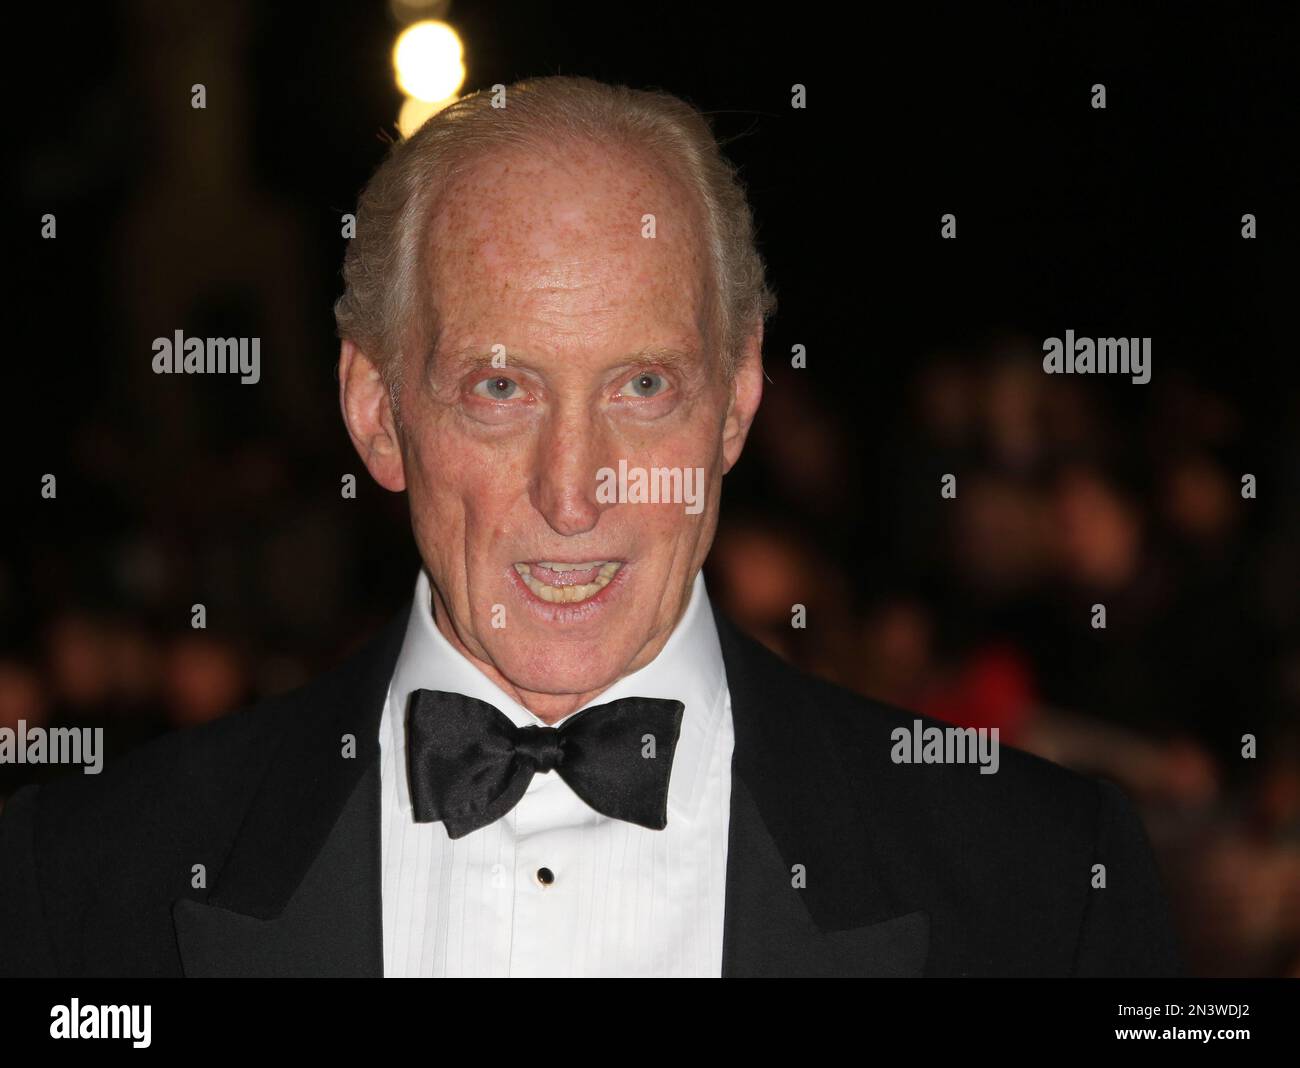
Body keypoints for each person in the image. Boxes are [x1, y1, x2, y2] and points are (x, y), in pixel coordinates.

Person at [0, 75, 1181, 977]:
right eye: (500, 390)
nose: (576, 494)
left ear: (736, 402)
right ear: (376, 411)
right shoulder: (78, 882)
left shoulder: (1039, 883)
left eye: (643, 389)